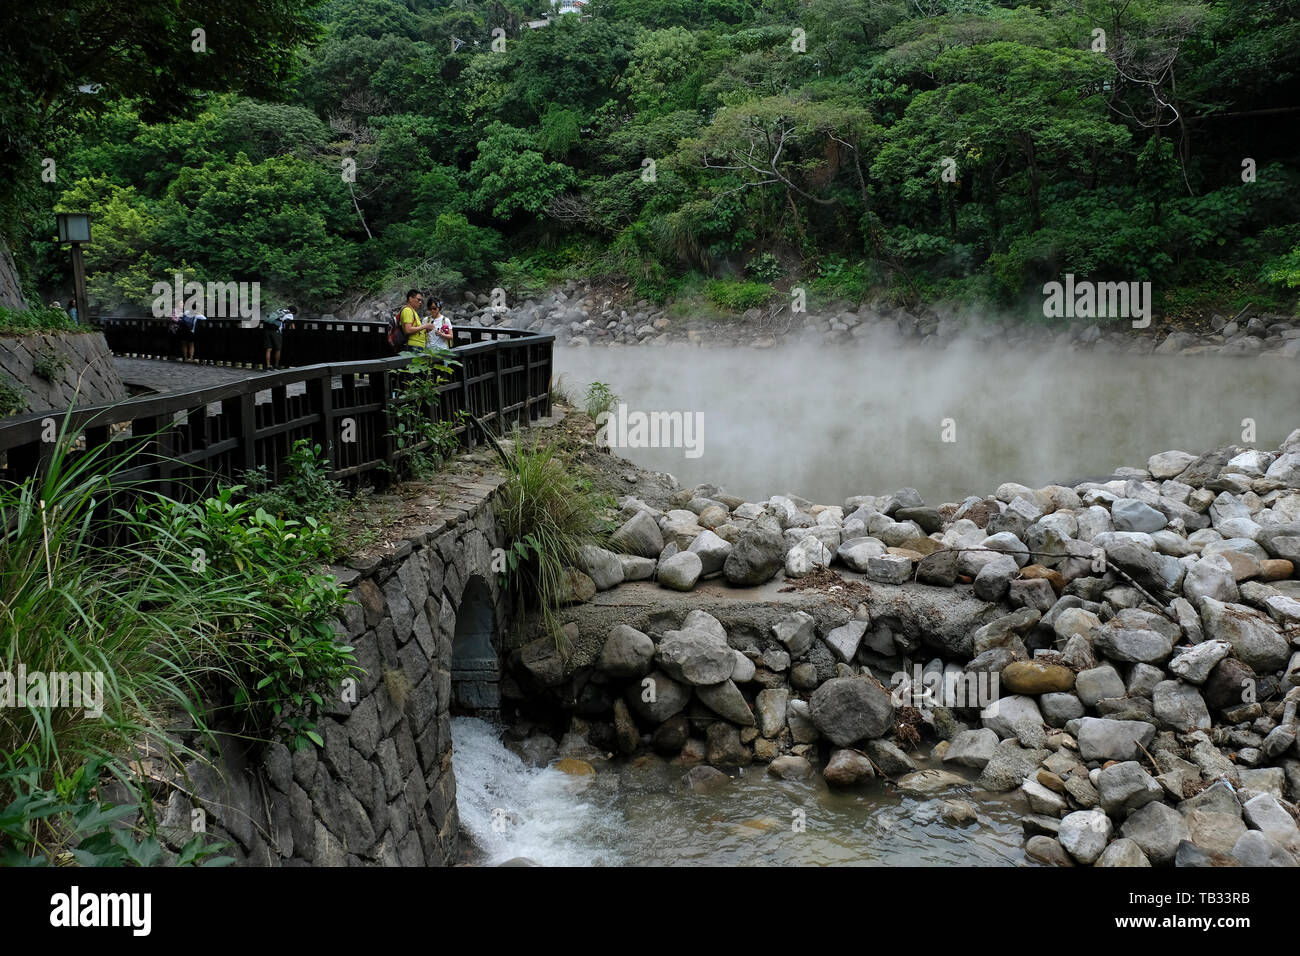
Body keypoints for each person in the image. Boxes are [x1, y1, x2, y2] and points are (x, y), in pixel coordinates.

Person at [263, 305, 295, 370]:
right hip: (276, 331)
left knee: (268, 349)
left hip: (267, 330)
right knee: (278, 349)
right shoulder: (290, 314)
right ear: (293, 311)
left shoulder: (279, 310)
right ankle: (276, 365)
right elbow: (291, 324)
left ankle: (268, 365)